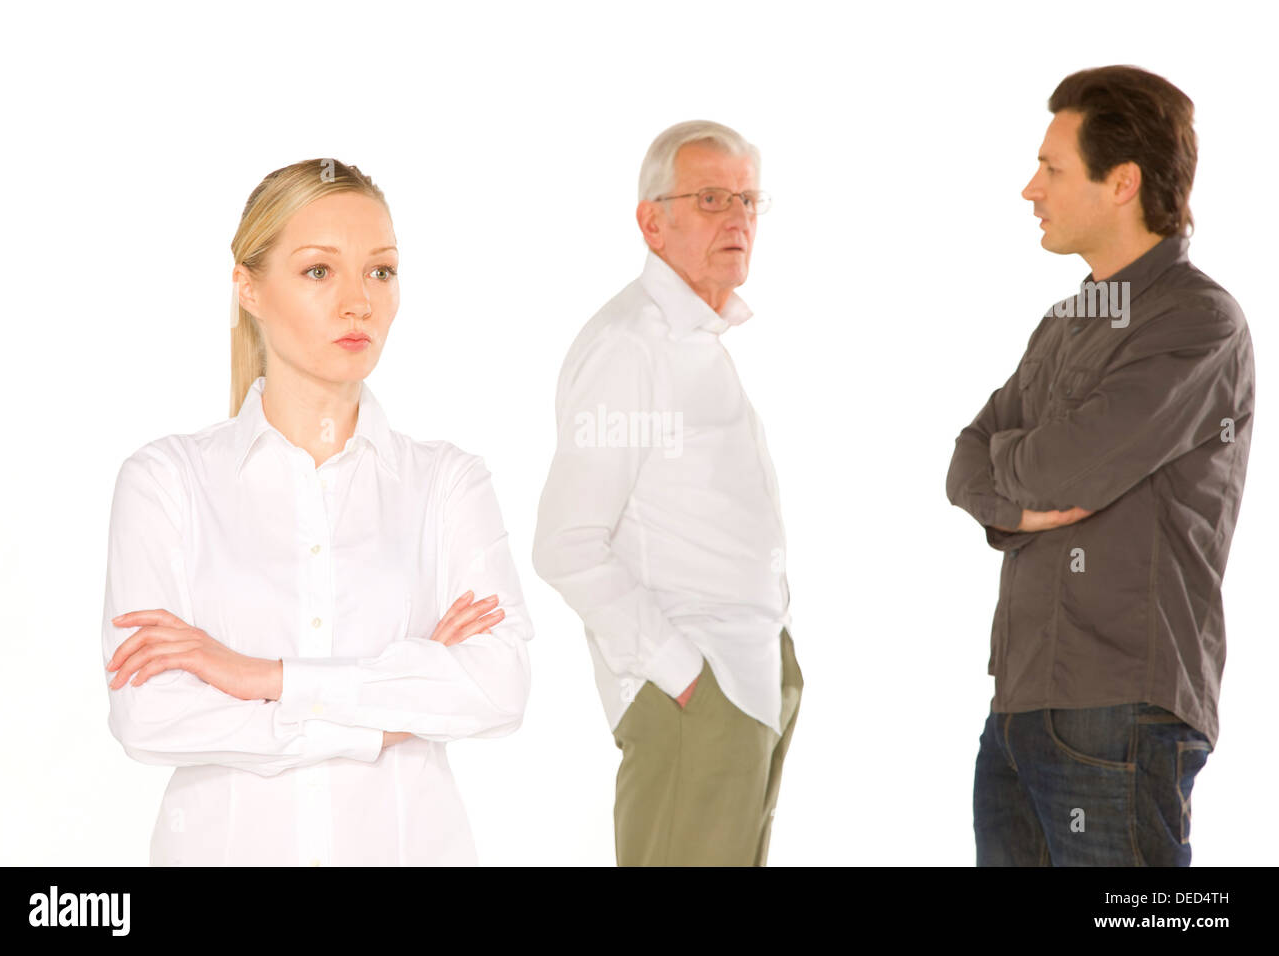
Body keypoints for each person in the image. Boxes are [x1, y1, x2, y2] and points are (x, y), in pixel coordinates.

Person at [101, 158, 533, 866]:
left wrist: (263, 678)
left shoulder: (448, 484)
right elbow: (149, 716)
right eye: (318, 271)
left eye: (381, 271)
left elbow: (498, 688)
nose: (359, 301)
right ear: (248, 288)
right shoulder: (166, 482)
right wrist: (396, 705)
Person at [946, 67, 1254, 866]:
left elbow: (1056, 470)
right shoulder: (1069, 320)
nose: (1029, 189)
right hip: (1018, 708)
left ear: (1122, 182)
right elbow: (965, 458)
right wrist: (1011, 500)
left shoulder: (1197, 320)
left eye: (1051, 169)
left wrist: (1014, 479)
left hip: (1118, 713)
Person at [532, 120, 802, 866]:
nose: (738, 218)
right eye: (711, 198)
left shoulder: (697, 345)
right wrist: (682, 674)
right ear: (653, 220)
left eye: (748, 200)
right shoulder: (630, 345)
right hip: (698, 698)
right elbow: (565, 543)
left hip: (745, 687)